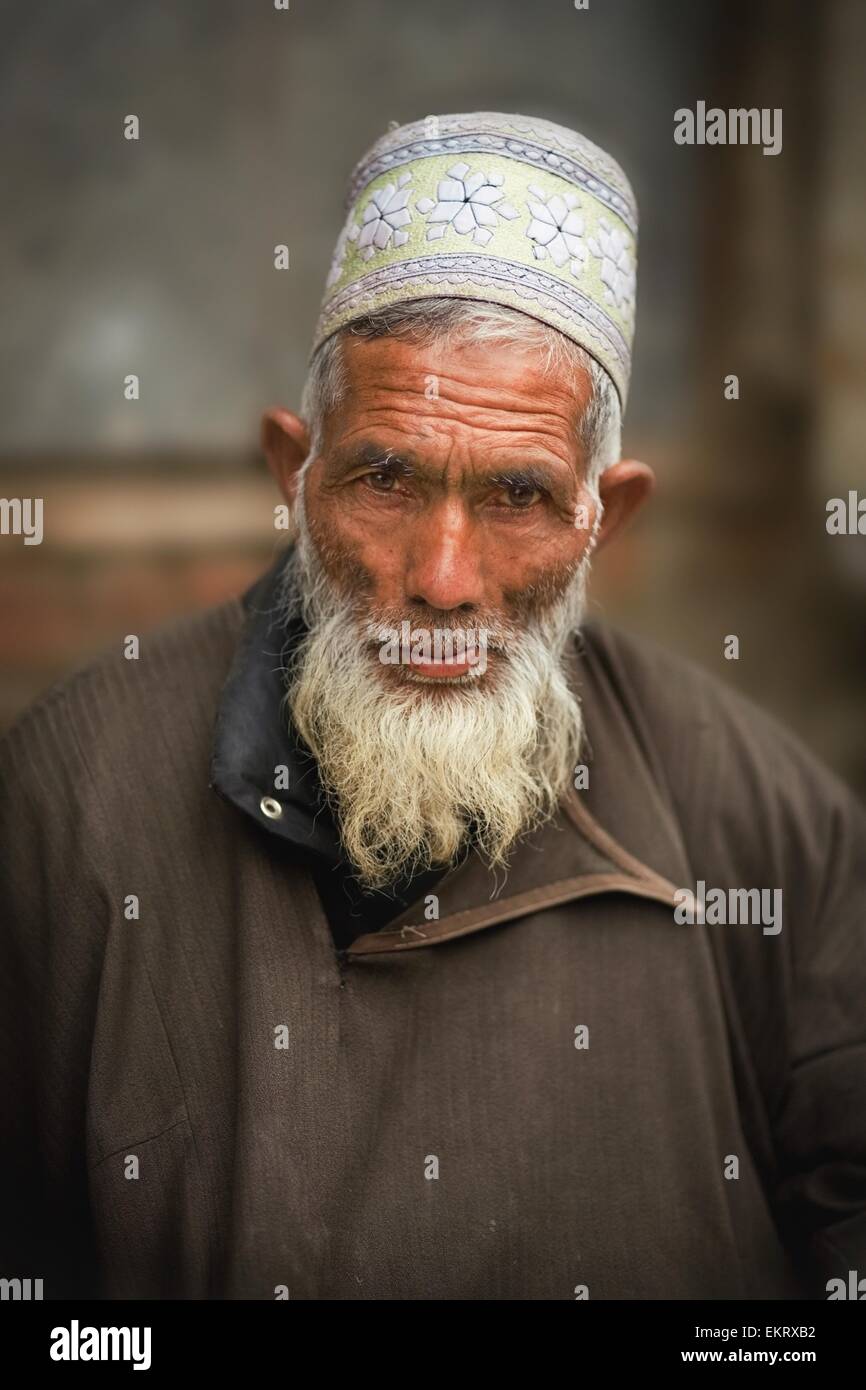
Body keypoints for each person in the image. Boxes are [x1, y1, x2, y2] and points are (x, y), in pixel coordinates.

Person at [1, 111, 864, 1300]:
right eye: (384, 479)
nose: (442, 578)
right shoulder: (68, 798)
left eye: (515, 496)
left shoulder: (759, 819)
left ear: (604, 518)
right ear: (291, 475)